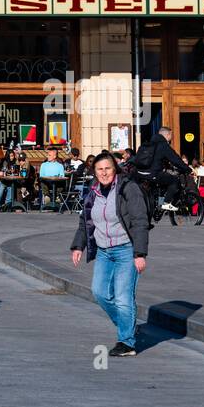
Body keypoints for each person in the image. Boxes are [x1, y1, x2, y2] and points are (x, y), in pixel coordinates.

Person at [71, 150, 149, 357]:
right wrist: (78, 246)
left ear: (115, 169)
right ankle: (128, 325)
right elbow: (85, 221)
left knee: (123, 298)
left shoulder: (128, 188)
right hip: (104, 251)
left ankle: (127, 342)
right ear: (94, 172)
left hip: (126, 250)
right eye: (100, 169)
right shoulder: (93, 190)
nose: (104, 173)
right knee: (100, 293)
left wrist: (139, 253)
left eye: (108, 168)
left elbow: (140, 221)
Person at [132, 125, 192, 212]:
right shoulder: (163, 145)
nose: (171, 138)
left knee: (161, 185)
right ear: (167, 135)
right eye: (171, 136)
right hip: (152, 174)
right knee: (174, 180)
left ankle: (159, 205)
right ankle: (166, 203)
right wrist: (187, 169)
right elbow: (176, 159)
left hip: (139, 173)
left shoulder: (148, 143)